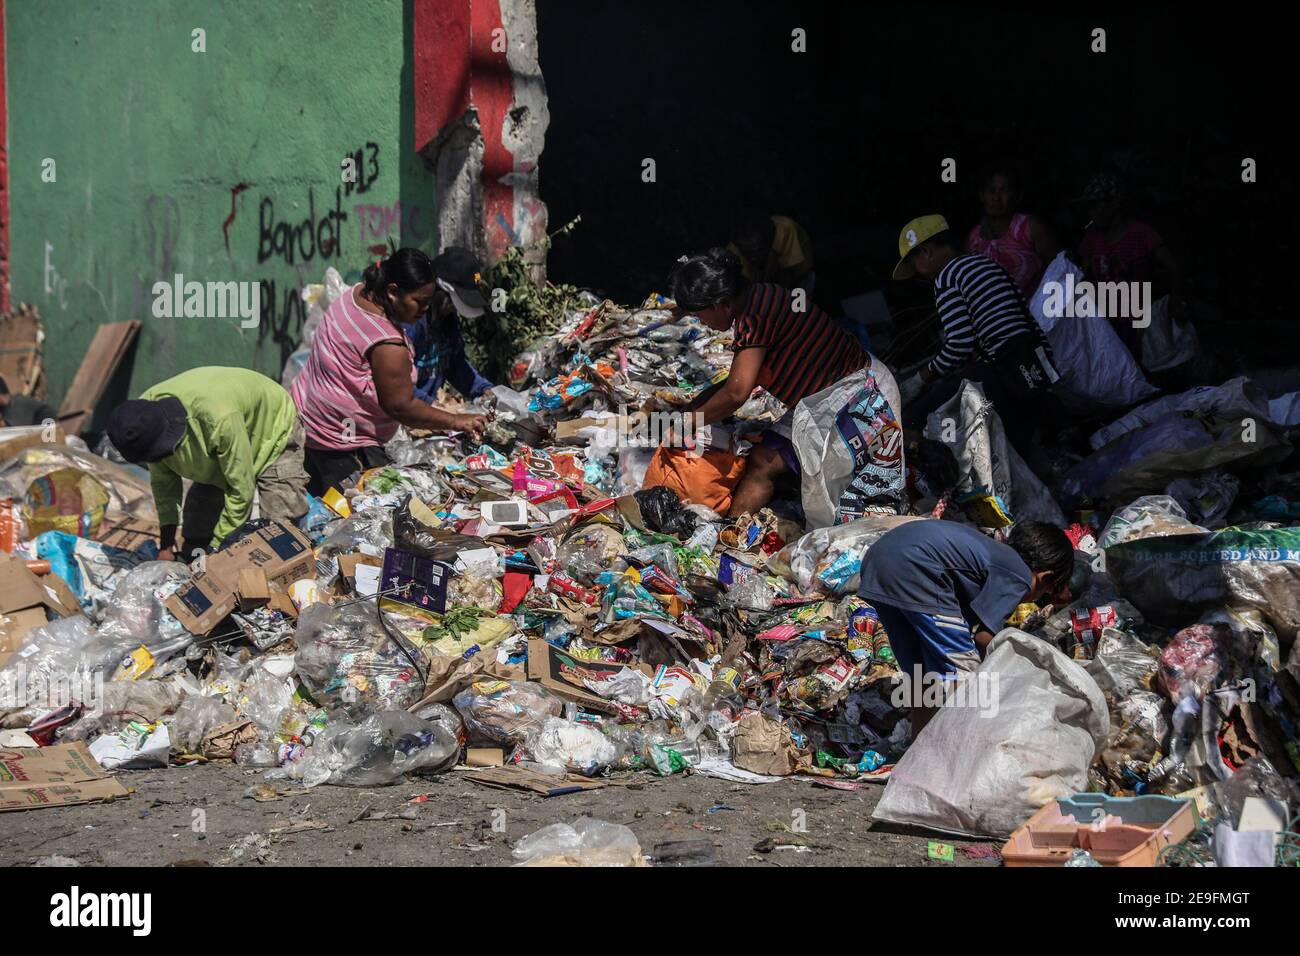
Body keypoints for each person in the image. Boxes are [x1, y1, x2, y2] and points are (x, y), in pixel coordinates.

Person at [666, 247, 901, 518]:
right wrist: (688, 413)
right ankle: (730, 535)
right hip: (822, 400)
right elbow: (738, 381)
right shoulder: (759, 297)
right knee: (763, 461)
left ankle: (731, 535)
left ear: (722, 304)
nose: (702, 322)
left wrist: (686, 423)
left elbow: (736, 393)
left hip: (858, 397)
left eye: (700, 315)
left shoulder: (755, 316)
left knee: (850, 506)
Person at [290, 248, 487, 496]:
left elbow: (456, 365)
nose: (424, 309)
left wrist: (482, 389)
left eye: (428, 301)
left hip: (311, 424)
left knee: (324, 511)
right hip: (342, 444)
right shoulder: (388, 341)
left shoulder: (358, 294)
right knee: (359, 512)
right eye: (420, 301)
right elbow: (401, 405)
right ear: (393, 292)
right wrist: (456, 420)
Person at [857, 519, 1073, 737]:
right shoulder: (1020, 574)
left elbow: (966, 632)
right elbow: (984, 638)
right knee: (966, 678)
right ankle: (967, 752)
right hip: (917, 569)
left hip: (879, 562)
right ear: (1045, 577)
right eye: (1044, 593)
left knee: (922, 676)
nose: (1032, 599)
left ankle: (916, 746)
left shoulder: (984, 558)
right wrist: (1022, 670)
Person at [892, 215, 1060, 456]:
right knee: (1019, 452)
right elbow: (1027, 320)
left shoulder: (947, 277)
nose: (919, 273)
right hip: (1034, 368)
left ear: (926, 252)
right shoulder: (987, 263)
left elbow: (959, 345)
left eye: (915, 262)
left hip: (1004, 371)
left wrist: (920, 379)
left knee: (911, 420)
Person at [105, 367, 309, 558]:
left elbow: (241, 491)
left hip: (271, 426)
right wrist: (165, 546)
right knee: (199, 518)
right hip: (223, 439)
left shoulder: (217, 418)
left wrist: (217, 549)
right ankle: (194, 554)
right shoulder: (141, 423)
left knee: (279, 529)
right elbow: (164, 486)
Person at [1075, 172, 1183, 354]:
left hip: (1140, 323)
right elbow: (1082, 280)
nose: (1092, 212)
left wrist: (1175, 302)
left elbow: (1174, 269)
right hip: (1106, 325)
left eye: (1097, 205)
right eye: (1090, 207)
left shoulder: (1142, 233)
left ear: (1115, 203)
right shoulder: (1091, 240)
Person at [404, 246, 495, 404]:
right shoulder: (412, 322)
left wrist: (483, 389)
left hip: (429, 415)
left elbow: (455, 365)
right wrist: (434, 407)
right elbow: (398, 385)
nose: (454, 310)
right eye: (452, 304)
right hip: (408, 415)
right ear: (438, 291)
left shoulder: (447, 321)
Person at [965, 166, 1058, 297]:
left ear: (1017, 196)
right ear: (982, 196)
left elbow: (1059, 268)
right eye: (991, 190)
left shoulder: (1031, 227)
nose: (996, 198)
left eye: (1004, 191)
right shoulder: (974, 238)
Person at [727, 213, 815, 293]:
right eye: (746, 253)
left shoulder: (785, 229)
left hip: (799, 274)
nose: (752, 258)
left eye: (757, 251)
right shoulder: (733, 253)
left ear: (769, 241)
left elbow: (791, 274)